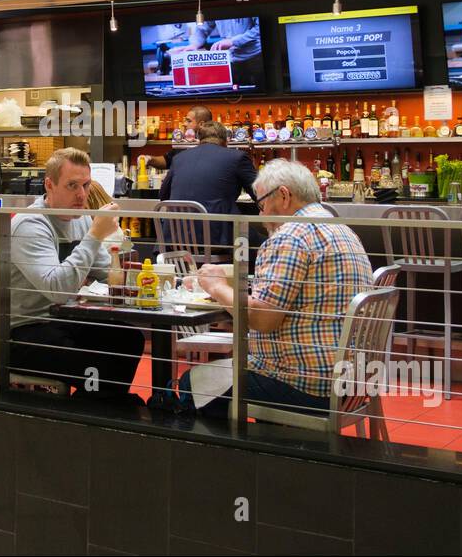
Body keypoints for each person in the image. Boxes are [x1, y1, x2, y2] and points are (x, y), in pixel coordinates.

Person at [178, 158, 372, 417]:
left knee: (191, 383)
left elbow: (262, 318)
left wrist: (216, 287)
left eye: (261, 204)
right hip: (353, 380)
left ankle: (232, 455)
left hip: (307, 383)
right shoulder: (340, 228)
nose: (260, 216)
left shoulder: (290, 235)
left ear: (283, 195)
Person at [0, 147, 143, 402]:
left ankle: (97, 407)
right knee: (97, 366)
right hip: (17, 333)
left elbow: (107, 275)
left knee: (129, 339)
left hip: (56, 321)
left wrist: (151, 280)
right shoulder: (30, 225)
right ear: (50, 185)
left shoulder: (78, 218)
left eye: (86, 185)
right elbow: (57, 290)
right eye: (72, 186)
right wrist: (94, 236)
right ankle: (103, 410)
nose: (82, 195)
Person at [159, 121, 256, 249]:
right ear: (226, 141)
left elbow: (163, 196)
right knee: (264, 244)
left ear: (199, 140)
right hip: (218, 240)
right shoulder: (237, 157)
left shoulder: (179, 158)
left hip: (175, 241)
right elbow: (258, 191)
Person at [188, 17, 263, 88]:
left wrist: (233, 41)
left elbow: (260, 28)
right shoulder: (212, 6)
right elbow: (203, 28)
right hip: (231, 59)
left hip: (255, 57)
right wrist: (194, 44)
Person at [145, 104, 212, 171]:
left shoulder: (211, 145)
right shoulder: (183, 143)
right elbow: (167, 160)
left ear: (201, 124)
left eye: (189, 121)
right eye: (185, 120)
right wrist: (149, 159)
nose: (184, 124)